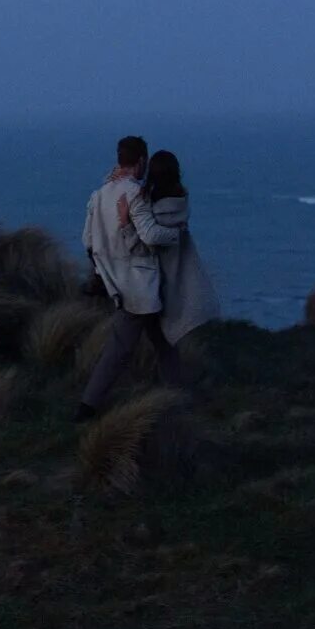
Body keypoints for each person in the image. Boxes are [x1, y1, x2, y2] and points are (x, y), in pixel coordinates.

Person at [77, 135, 184, 421]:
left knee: (163, 342)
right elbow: (149, 235)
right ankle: (87, 406)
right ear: (141, 161)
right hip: (140, 286)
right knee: (122, 349)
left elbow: (87, 240)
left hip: (115, 281)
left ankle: (178, 397)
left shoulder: (99, 195)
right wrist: (176, 234)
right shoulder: (136, 194)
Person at [117, 148, 220, 351]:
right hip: (182, 294)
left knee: (123, 345)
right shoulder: (180, 206)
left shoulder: (155, 215)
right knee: (165, 348)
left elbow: (143, 246)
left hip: (152, 289)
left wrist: (125, 224)